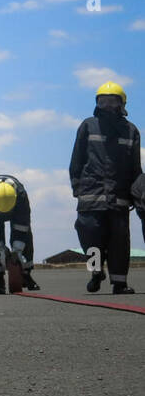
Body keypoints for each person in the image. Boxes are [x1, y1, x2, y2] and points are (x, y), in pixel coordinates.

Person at [70, 81, 141, 295]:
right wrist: (77, 187)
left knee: (119, 241)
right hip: (90, 194)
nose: (107, 105)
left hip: (119, 197)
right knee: (89, 236)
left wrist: (137, 194)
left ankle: (120, 283)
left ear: (122, 104)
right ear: (97, 103)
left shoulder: (131, 131)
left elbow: (135, 167)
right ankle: (95, 271)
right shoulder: (88, 125)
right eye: (102, 101)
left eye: (112, 101)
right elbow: (77, 159)